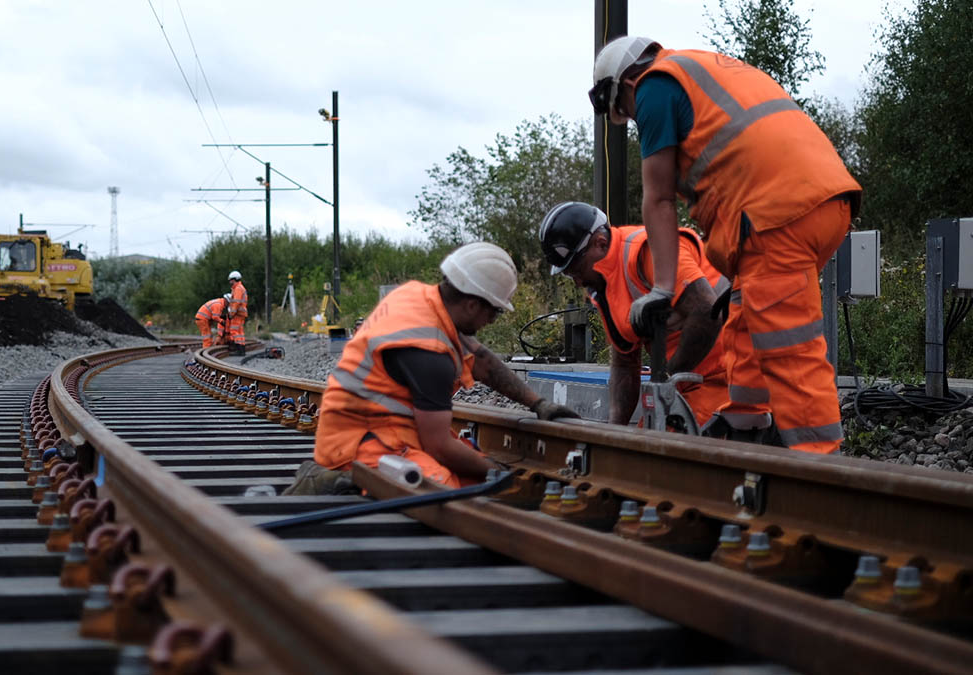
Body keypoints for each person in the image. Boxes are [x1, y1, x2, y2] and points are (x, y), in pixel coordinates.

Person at [589, 36, 861, 454]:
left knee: (791, 351)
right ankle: (745, 430)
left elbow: (658, 197)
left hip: (774, 217)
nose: (633, 118)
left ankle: (822, 471)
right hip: (822, 202)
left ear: (625, 83)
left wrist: (662, 289)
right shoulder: (700, 67)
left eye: (624, 110)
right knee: (745, 324)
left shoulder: (654, 85)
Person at [310, 242, 580, 490]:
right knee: (443, 489)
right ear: (473, 304)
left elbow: (482, 361)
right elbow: (439, 446)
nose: (493, 320)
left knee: (471, 478)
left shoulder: (417, 297)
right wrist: (498, 472)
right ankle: (331, 480)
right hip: (357, 443)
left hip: (381, 429)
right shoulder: (429, 352)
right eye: (495, 311)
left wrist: (538, 404)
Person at [539, 201, 755, 429]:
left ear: (600, 244)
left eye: (577, 269)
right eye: (569, 274)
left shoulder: (649, 250)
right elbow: (625, 364)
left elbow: (705, 312)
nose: (579, 281)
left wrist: (666, 380)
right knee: (640, 450)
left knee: (663, 456)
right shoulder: (605, 286)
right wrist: (614, 432)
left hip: (730, 374)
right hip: (686, 384)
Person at [227, 270, 248, 355]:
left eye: (230, 280)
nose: (229, 281)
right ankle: (242, 349)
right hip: (241, 313)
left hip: (237, 314)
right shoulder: (240, 288)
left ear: (234, 279)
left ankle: (239, 350)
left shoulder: (238, 289)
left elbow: (236, 303)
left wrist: (231, 313)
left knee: (234, 331)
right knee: (240, 332)